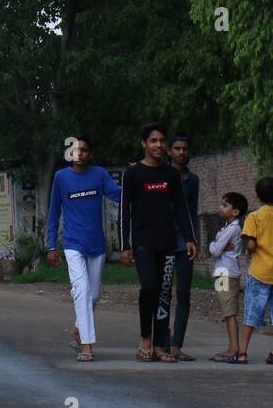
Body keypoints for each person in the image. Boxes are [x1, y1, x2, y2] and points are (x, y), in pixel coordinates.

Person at [119, 122, 197, 363]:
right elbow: (124, 210)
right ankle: (145, 338)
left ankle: (160, 345)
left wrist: (190, 238)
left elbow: (181, 209)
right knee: (149, 287)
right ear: (144, 144)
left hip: (169, 243)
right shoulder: (133, 174)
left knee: (164, 293)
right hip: (143, 243)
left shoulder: (170, 175)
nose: (159, 145)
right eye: (153, 141)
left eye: (162, 141)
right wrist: (125, 245)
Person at [44, 136, 121, 361]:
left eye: (85, 150)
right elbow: (53, 213)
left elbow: (118, 194)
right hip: (72, 244)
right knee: (81, 291)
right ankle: (86, 346)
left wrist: (138, 183)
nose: (80, 154)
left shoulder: (99, 175)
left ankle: (79, 328)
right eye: (76, 150)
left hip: (96, 245)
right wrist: (51, 245)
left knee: (94, 294)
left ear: (90, 154)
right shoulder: (61, 177)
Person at [165, 134, 201, 360]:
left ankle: (176, 345)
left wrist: (194, 239)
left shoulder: (192, 180)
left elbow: (192, 211)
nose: (181, 153)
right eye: (177, 148)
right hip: (162, 242)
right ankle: (160, 342)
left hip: (185, 243)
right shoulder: (161, 176)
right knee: (162, 294)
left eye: (185, 149)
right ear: (170, 151)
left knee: (184, 294)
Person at [236, 178, 273, 364]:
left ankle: (242, 353)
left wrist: (250, 252)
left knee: (251, 313)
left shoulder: (254, 217)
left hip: (260, 272)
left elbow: (250, 243)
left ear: (257, 196)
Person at [209, 192, 247, 362]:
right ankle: (232, 347)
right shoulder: (227, 228)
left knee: (229, 311)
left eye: (225, 205)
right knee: (227, 310)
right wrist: (218, 245)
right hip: (222, 272)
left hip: (225, 273)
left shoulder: (233, 228)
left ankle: (234, 349)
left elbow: (215, 250)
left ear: (235, 212)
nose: (220, 208)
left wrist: (212, 244)